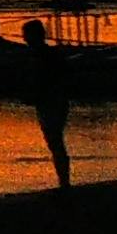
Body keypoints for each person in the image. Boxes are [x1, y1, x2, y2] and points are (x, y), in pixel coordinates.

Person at [21, 16, 74, 189]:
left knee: (55, 141)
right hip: (53, 101)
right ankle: (64, 181)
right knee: (55, 141)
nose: (24, 39)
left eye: (26, 35)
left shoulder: (42, 57)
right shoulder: (45, 55)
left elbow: (43, 80)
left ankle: (64, 182)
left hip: (51, 102)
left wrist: (32, 94)